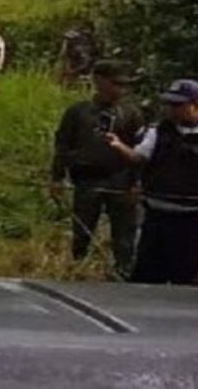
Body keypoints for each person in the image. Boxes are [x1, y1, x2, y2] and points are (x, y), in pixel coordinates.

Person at [106, 79, 198, 286]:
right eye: (169, 104)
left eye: (177, 105)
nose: (171, 110)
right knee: (144, 280)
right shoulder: (158, 132)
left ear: (195, 104)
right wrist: (118, 146)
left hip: (194, 222)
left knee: (186, 283)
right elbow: (140, 158)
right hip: (156, 217)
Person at [50, 60, 144, 277]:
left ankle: (123, 273)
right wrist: (56, 177)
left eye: (123, 85)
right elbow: (62, 146)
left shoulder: (131, 113)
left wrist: (137, 182)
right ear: (99, 82)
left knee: (124, 235)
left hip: (121, 179)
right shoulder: (78, 112)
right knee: (82, 231)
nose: (120, 90)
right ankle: (77, 270)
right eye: (115, 84)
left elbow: (140, 151)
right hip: (86, 179)